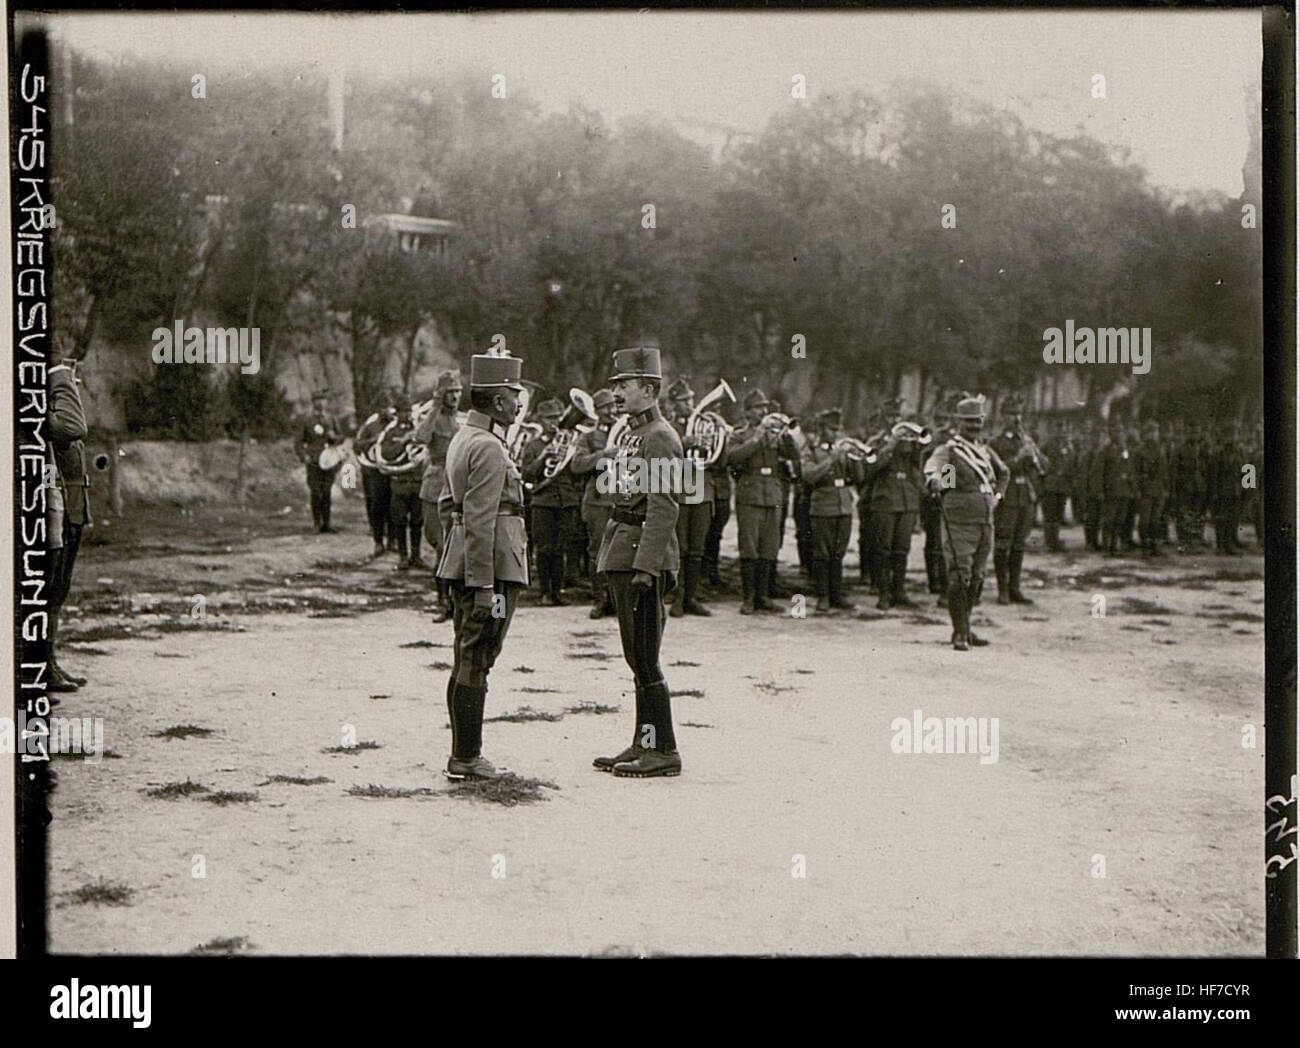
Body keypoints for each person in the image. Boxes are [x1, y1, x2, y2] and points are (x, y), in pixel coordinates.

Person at [434, 353, 531, 781]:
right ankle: (467, 758)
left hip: (471, 566)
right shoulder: (488, 446)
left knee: (467, 656)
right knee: (478, 656)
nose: (518, 403)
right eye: (512, 394)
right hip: (492, 572)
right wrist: (483, 586)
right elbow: (480, 519)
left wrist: (455, 561)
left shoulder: (464, 437)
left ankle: (464, 753)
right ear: (495, 401)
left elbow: (445, 507)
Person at [593, 343, 684, 779]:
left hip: (641, 560)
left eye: (624, 385)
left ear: (648, 389)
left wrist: (647, 567)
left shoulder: (661, 437)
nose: (617, 393)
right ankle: (644, 742)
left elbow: (664, 507)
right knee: (636, 656)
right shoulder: (634, 434)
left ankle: (663, 750)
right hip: (624, 551)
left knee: (646, 657)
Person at [923, 396, 1009, 652]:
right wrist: (936, 481)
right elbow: (937, 471)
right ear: (959, 422)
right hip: (959, 521)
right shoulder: (951, 450)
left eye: (977, 421)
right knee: (960, 576)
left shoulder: (984, 450)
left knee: (978, 577)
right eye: (969, 422)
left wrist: (997, 497)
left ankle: (966, 627)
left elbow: (1004, 472)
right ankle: (960, 632)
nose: (974, 426)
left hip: (985, 520)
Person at [47, 360, 91, 693]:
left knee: (60, 592)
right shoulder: (56, 417)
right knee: (49, 591)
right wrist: (61, 379)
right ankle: (44, 665)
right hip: (59, 508)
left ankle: (51, 663)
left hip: (73, 508)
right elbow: (73, 427)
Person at [727, 389, 788, 615]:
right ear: (747, 412)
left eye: (764, 408)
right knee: (749, 548)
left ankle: (763, 596)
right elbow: (731, 457)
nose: (763, 412)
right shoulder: (740, 434)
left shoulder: (776, 435)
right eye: (757, 408)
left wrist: (784, 435)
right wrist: (756, 437)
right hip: (750, 495)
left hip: (772, 494)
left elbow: (793, 456)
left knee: (769, 547)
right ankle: (749, 598)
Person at [800, 409, 865, 613]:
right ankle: (822, 596)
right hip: (823, 505)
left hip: (843, 505)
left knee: (839, 553)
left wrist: (854, 460)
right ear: (821, 429)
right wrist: (830, 460)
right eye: (831, 429)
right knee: (822, 553)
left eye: (838, 429)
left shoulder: (843, 451)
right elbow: (808, 475)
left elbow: (860, 478)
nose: (836, 433)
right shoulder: (812, 450)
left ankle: (836, 594)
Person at [413, 370, 464, 619]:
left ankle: (454, 601)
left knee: (457, 547)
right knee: (441, 545)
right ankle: (443, 601)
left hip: (458, 488)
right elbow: (420, 437)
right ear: (441, 395)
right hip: (434, 487)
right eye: (450, 393)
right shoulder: (434, 418)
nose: (455, 397)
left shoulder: (462, 422)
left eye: (458, 392)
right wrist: (434, 407)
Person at [521, 398, 581, 605]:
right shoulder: (533, 445)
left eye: (557, 417)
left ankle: (558, 591)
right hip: (543, 501)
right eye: (549, 418)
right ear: (541, 420)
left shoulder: (570, 443)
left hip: (567, 501)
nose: (554, 422)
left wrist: (569, 455)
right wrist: (544, 456)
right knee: (544, 548)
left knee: (561, 548)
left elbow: (577, 472)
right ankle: (545, 592)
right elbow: (527, 474)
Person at [989, 395, 1047, 604]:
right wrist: (1018, 457)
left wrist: (1034, 456)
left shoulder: (1026, 439)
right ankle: (1002, 590)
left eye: (1019, 413)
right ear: (1003, 416)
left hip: (1025, 495)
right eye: (1012, 414)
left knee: (1019, 544)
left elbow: (1045, 467)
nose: (1017, 418)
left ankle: (1015, 588)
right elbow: (995, 471)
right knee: (1003, 542)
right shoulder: (995, 443)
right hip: (1008, 495)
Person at [665, 378, 714, 617]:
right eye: (684, 401)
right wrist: (684, 444)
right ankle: (678, 596)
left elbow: (718, 461)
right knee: (680, 548)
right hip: (680, 494)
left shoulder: (704, 425)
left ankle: (691, 597)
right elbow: (662, 457)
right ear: (674, 405)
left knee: (697, 549)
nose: (690, 404)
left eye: (691, 400)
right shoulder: (668, 428)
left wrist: (711, 444)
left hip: (702, 493)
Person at [866, 418, 927, 610]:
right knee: (883, 549)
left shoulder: (911, 452)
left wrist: (916, 446)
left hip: (907, 501)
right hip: (885, 501)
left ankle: (898, 591)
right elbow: (871, 469)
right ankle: (883, 593)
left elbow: (919, 468)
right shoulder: (880, 444)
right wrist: (891, 446)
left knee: (902, 548)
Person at [570, 388, 619, 619]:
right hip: (597, 502)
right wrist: (604, 455)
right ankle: (600, 600)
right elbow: (577, 465)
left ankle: (617, 600)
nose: (611, 411)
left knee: (619, 553)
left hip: (619, 499)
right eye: (606, 408)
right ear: (597, 412)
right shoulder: (588, 437)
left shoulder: (626, 433)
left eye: (613, 406)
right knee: (597, 552)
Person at [380, 395, 426, 570]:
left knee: (417, 521)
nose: (407, 415)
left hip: (416, 481)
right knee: (399, 521)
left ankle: (416, 555)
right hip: (399, 483)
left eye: (409, 411)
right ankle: (403, 556)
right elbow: (386, 454)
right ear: (397, 413)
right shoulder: (391, 432)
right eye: (403, 412)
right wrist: (404, 441)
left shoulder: (419, 430)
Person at [295, 391, 343, 533]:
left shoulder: (332, 419)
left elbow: (341, 438)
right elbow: (298, 442)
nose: (321, 403)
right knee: (315, 492)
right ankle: (317, 523)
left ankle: (327, 523)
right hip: (314, 461)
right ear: (313, 403)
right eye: (317, 400)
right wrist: (304, 456)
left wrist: (335, 437)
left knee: (327, 492)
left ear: (326, 402)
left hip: (329, 460)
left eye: (323, 400)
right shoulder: (307, 420)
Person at [355, 394, 396, 558]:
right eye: (382, 407)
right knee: (377, 507)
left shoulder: (396, 425)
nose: (386, 410)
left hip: (393, 471)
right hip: (375, 473)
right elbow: (356, 445)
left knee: (394, 508)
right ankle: (378, 542)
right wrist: (374, 440)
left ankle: (393, 541)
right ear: (377, 410)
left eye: (388, 406)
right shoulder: (370, 426)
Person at [1133, 419, 1170, 558]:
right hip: (1145, 490)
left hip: (1158, 490)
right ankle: (1145, 547)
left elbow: (1165, 471)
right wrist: (1137, 490)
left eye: (1155, 431)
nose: (1154, 434)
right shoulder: (1140, 451)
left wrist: (1166, 488)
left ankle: (1155, 546)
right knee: (1145, 520)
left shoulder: (1160, 450)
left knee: (1156, 519)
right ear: (1145, 434)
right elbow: (1135, 472)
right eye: (1151, 431)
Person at [1100, 421, 1135, 556]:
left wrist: (1132, 487)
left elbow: (1129, 468)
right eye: (1116, 431)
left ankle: (1115, 546)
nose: (1120, 434)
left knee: (1120, 520)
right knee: (1109, 519)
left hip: (1124, 490)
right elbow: (1099, 471)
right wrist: (1100, 491)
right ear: (1111, 434)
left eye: (1121, 431)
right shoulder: (1106, 450)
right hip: (1111, 489)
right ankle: (1107, 546)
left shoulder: (1125, 450)